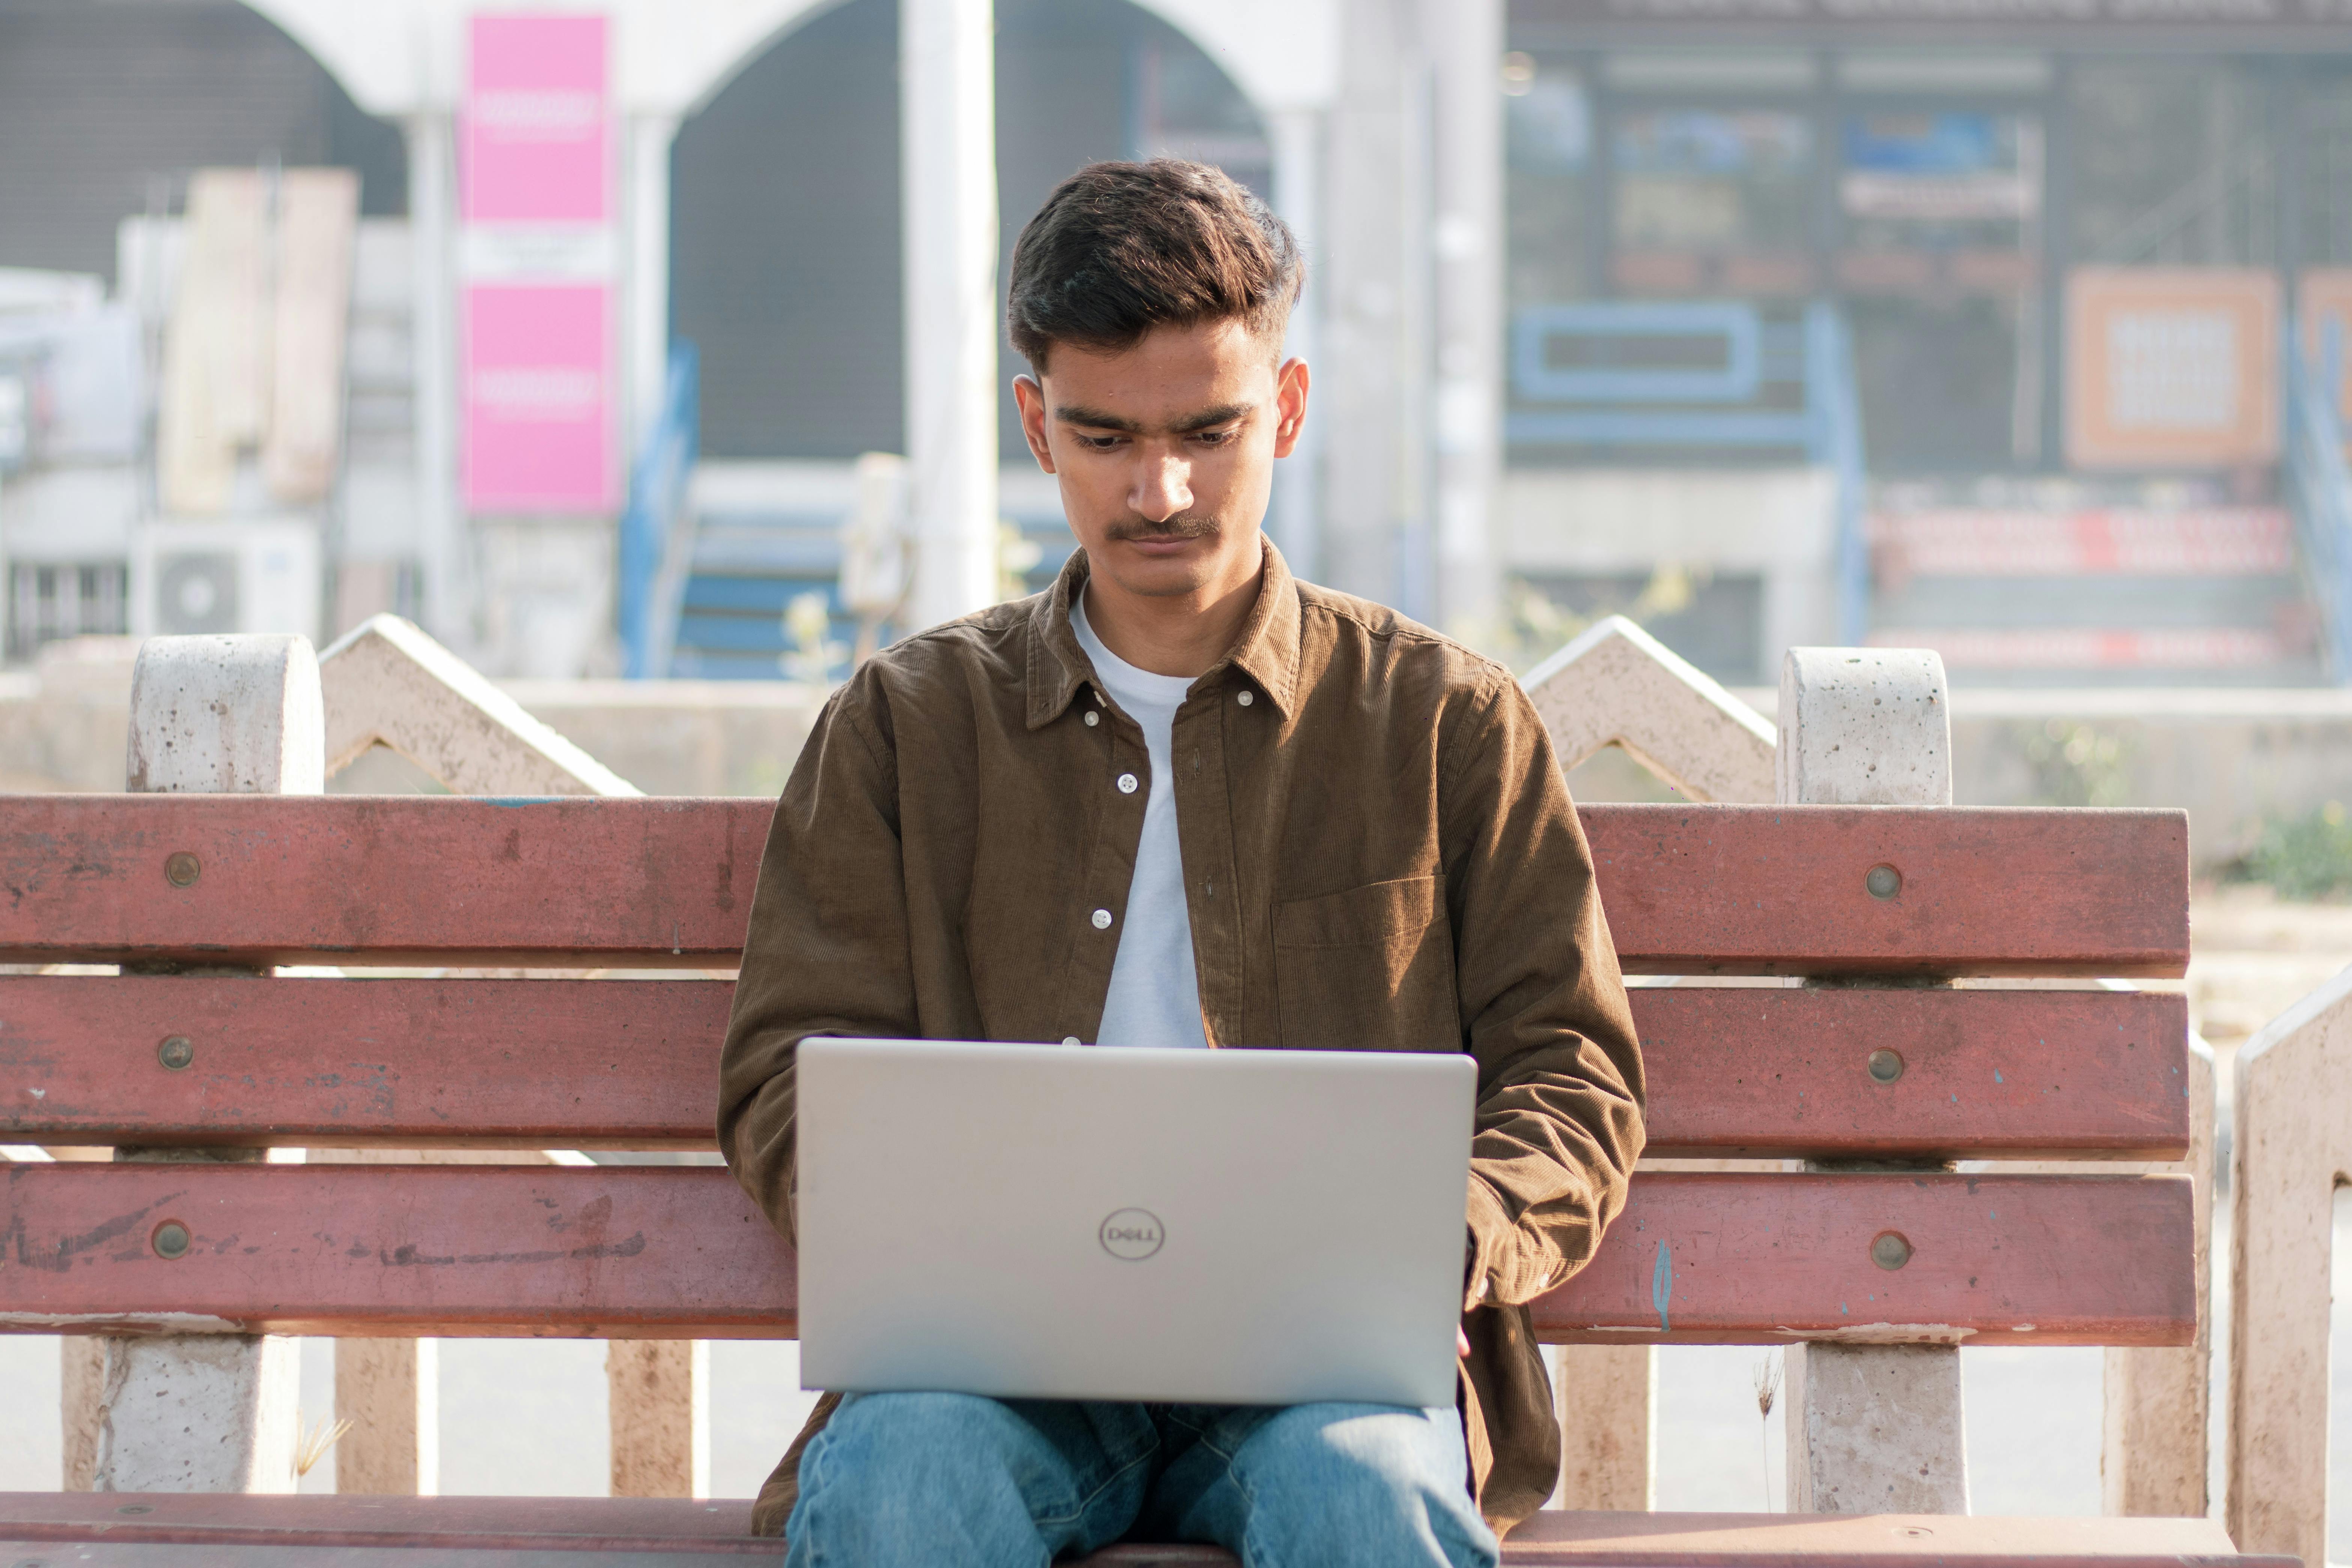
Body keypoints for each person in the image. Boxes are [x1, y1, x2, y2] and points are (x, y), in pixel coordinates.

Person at [718, 158, 1645, 1568]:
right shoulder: (910, 725)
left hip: (1323, 1371)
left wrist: (1444, 1238)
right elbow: (788, 1067)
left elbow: (1572, 1072)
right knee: (901, 1486)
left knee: (1368, 1498)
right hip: (991, 1366)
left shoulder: (1441, 721)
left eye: (1210, 432)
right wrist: (920, 1236)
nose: (1160, 491)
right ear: (1036, 425)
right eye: (1104, 437)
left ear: (1287, 407)